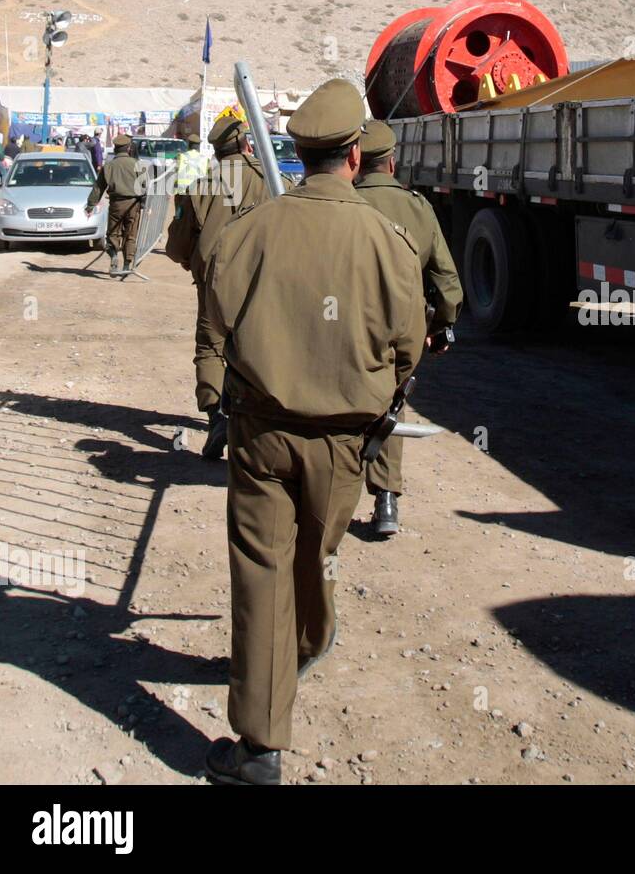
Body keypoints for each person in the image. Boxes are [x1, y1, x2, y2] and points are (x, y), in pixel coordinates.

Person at [202, 79, 425, 785]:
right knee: (311, 558)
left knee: (266, 571)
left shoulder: (248, 234)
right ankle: (298, 654)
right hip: (345, 444)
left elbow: (214, 325)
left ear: (298, 154)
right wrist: (379, 401)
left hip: (261, 434)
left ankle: (261, 746)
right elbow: (409, 348)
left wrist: (214, 398)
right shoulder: (390, 244)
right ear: (354, 157)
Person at [354, 119, 462, 535]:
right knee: (391, 403)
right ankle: (385, 502)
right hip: (404, 327)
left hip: (346, 321)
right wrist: (444, 325)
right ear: (393, 162)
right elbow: (446, 278)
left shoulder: (344, 201)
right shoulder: (418, 207)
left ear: (356, 160)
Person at [172, 117, 268, 459]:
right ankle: (256, 427)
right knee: (259, 350)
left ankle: (216, 416)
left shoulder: (202, 185)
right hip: (263, 284)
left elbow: (179, 243)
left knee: (212, 349)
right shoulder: (271, 179)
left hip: (214, 284)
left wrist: (191, 260)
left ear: (215, 150)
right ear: (246, 144)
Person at [84, 134, 141, 275]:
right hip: (134, 204)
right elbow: (145, 187)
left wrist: (90, 205)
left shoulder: (108, 166)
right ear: (128, 148)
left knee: (113, 233)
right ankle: (127, 264)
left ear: (115, 148)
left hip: (116, 204)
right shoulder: (137, 164)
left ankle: (114, 257)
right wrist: (146, 204)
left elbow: (99, 188)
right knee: (130, 235)